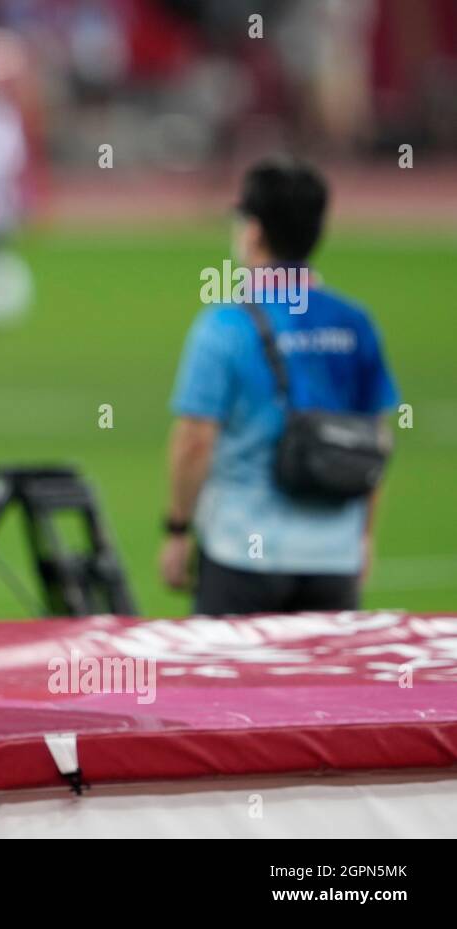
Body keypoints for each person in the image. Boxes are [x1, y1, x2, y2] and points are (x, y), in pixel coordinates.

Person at [160, 158, 399, 616]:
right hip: (333, 554)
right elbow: (375, 441)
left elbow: (194, 440)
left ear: (253, 231)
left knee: (226, 688)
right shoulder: (355, 323)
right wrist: (362, 537)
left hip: (241, 551)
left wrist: (176, 530)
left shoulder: (225, 326)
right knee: (325, 687)